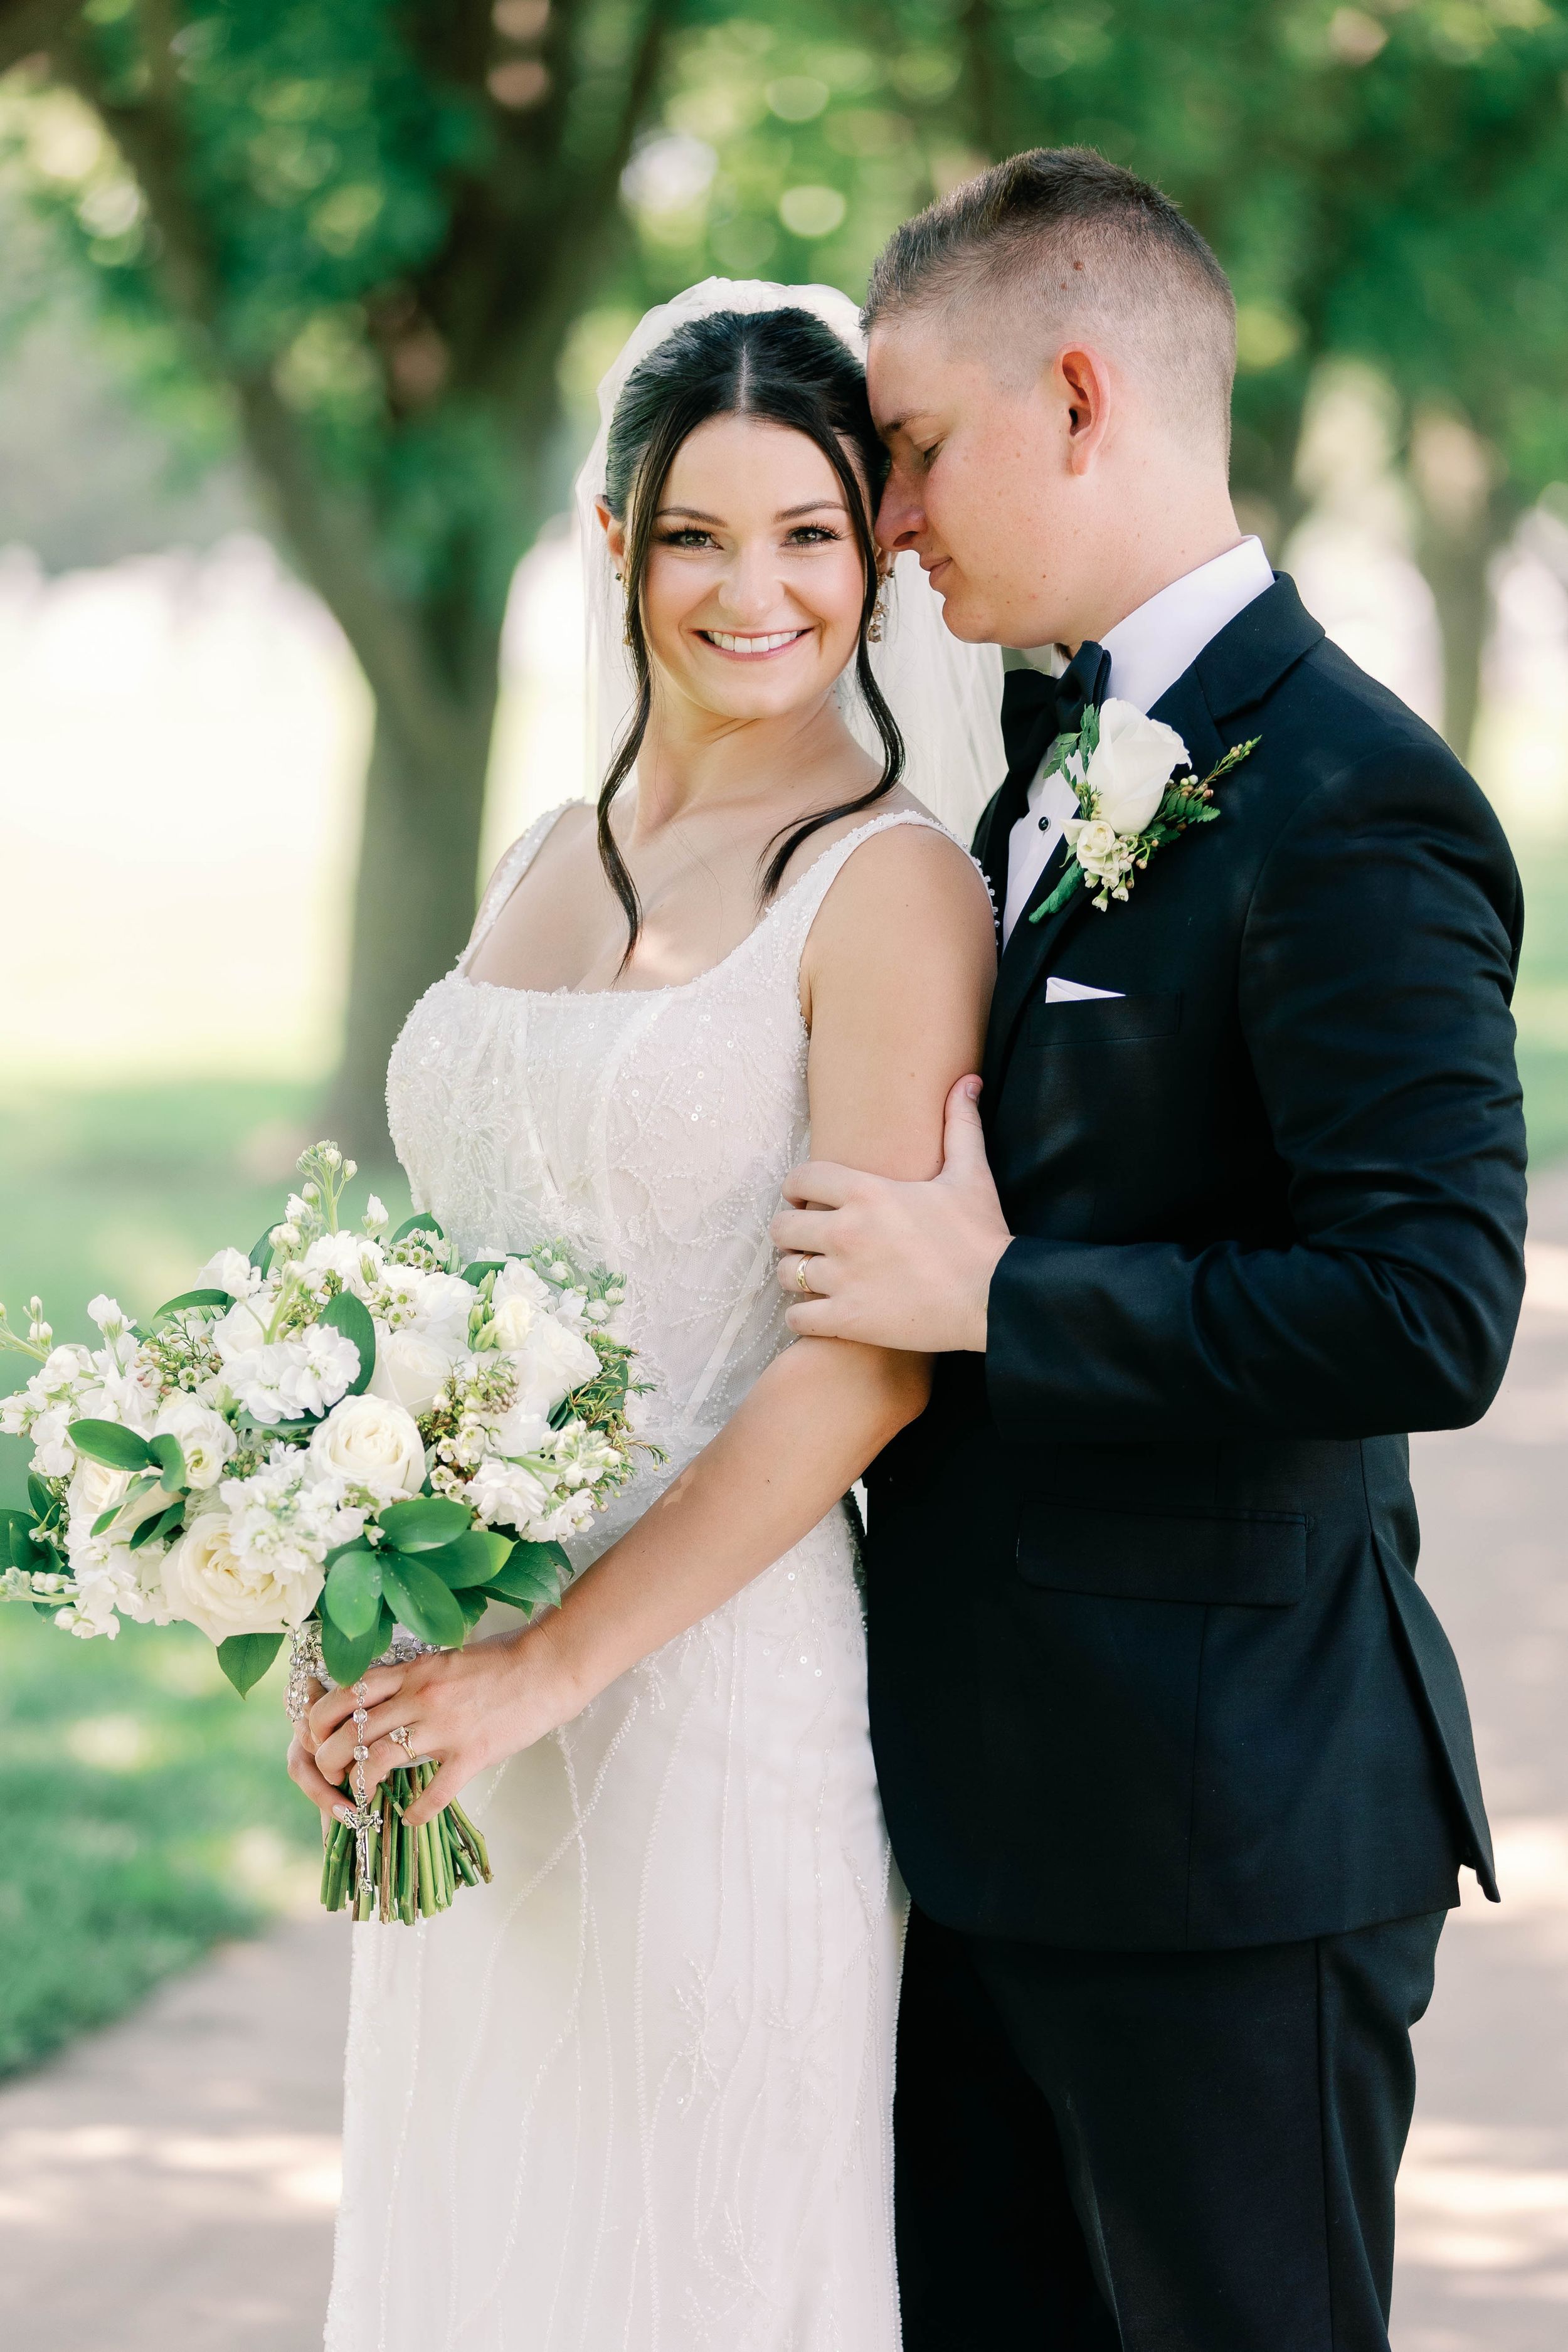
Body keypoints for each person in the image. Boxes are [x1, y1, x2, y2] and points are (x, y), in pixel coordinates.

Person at [771, 151, 1528, 2349]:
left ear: (1079, 399)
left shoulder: (1349, 798)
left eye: (917, 449)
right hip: (984, 1826)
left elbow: (1426, 1307)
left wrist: (993, 1300)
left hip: (1228, 1842)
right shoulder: (1029, 762)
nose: (890, 520)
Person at [288, 285, 1000, 2349]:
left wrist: (549, 1668)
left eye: (808, 535)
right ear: (613, 538)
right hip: (466, 1703)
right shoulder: (543, 852)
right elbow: (442, 1298)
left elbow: (867, 1360)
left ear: (876, 552)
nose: (752, 592)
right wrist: (354, 1613)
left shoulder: (887, 886)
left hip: (713, 1709)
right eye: (696, 534)